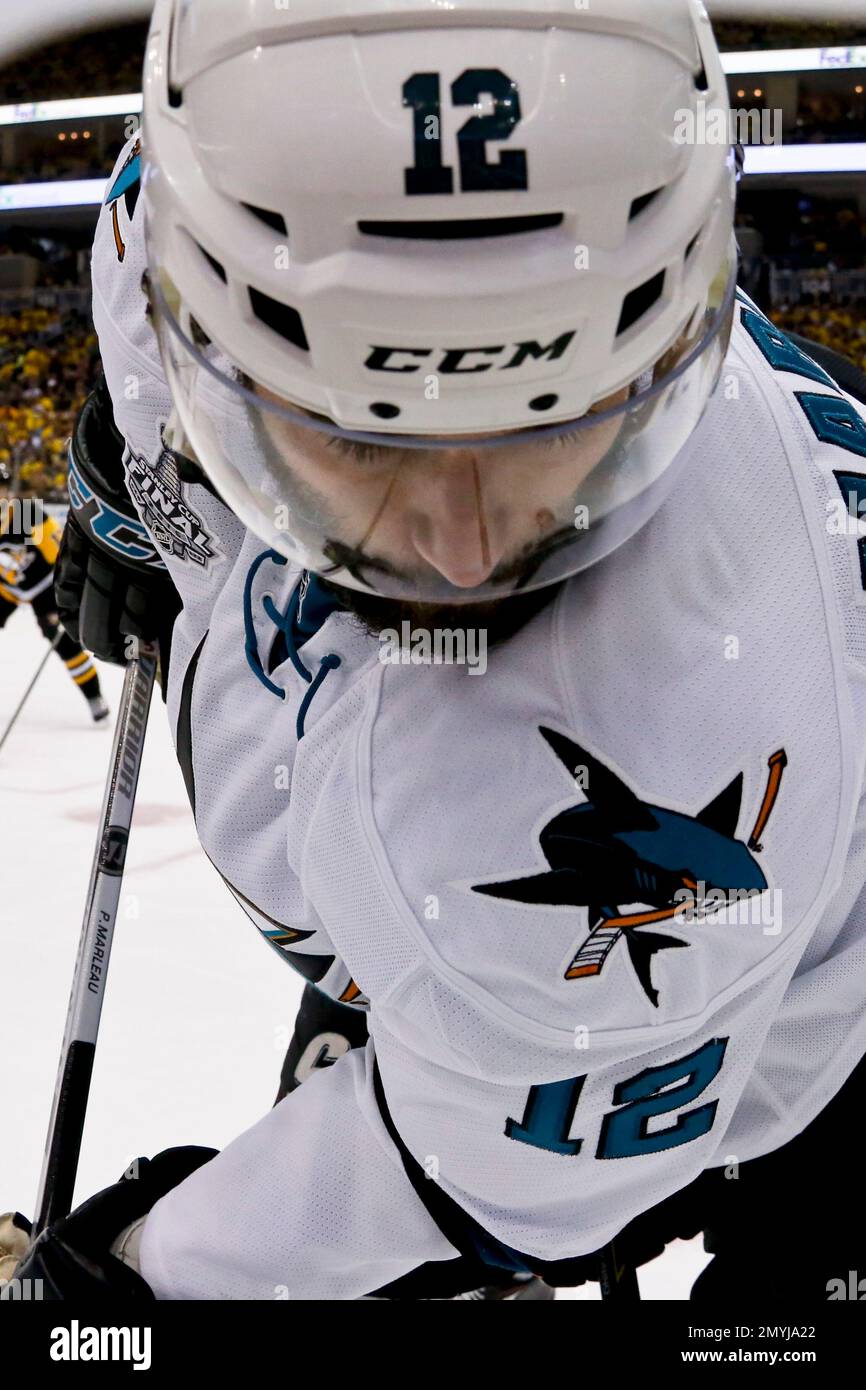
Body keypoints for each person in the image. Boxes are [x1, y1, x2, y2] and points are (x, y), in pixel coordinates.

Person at [5, 0, 866, 1302]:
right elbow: (152, 370)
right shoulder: (165, 224)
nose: (461, 555)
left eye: (547, 421)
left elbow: (438, 1188)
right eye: (364, 431)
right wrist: (156, 485)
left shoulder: (688, 714)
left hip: (788, 1036)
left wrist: (133, 1275)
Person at [0, 487, 109, 724]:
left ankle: (94, 696)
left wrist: (71, 590)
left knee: (63, 641)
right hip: (7, 590)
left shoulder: (22, 514)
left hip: (45, 586)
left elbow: (62, 551)